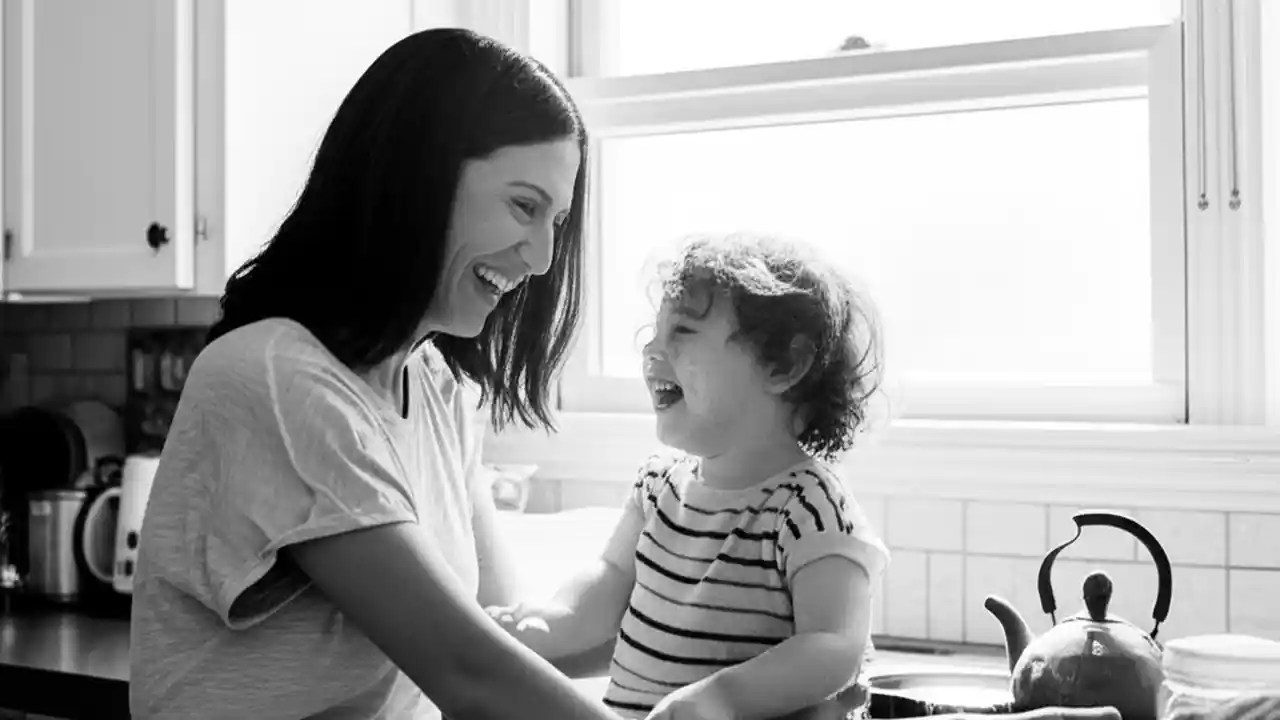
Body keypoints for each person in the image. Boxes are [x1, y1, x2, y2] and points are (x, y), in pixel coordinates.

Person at [129, 28, 623, 720]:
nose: (542, 258)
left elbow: (498, 633)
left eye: (557, 221)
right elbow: (469, 673)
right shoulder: (273, 376)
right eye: (524, 206)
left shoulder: (439, 391)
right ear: (419, 177)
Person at [487, 232, 892, 720]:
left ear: (784, 364)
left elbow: (835, 645)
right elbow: (608, 579)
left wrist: (721, 698)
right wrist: (553, 621)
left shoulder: (808, 508)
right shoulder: (657, 489)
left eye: (682, 331)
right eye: (653, 334)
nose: (651, 351)